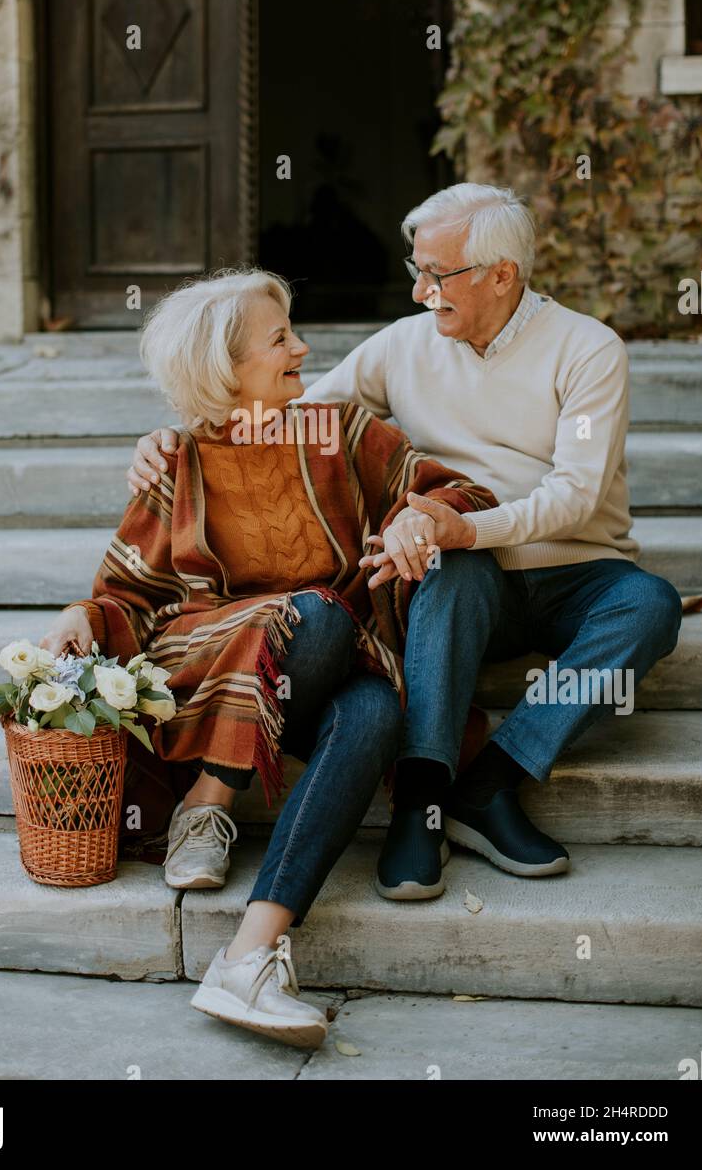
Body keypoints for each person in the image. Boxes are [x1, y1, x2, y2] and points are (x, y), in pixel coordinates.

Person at [129, 185, 683, 901]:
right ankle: (421, 796)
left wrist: (465, 524)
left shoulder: (587, 351)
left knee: (650, 607)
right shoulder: (402, 345)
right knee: (450, 569)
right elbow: (277, 412)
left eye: (438, 275)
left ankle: (490, 784)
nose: (420, 290)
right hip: (461, 574)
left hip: (576, 571)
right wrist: (177, 439)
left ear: (501, 275)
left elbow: (576, 495)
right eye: (416, 268)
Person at [40, 269, 496, 1048]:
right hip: (214, 675)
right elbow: (129, 597)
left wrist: (424, 522)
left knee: (373, 699)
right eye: (280, 338)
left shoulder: (343, 433)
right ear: (225, 365)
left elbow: (460, 494)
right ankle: (211, 796)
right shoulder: (176, 462)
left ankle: (248, 950)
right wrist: (81, 611)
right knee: (318, 620)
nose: (303, 348)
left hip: (316, 674)